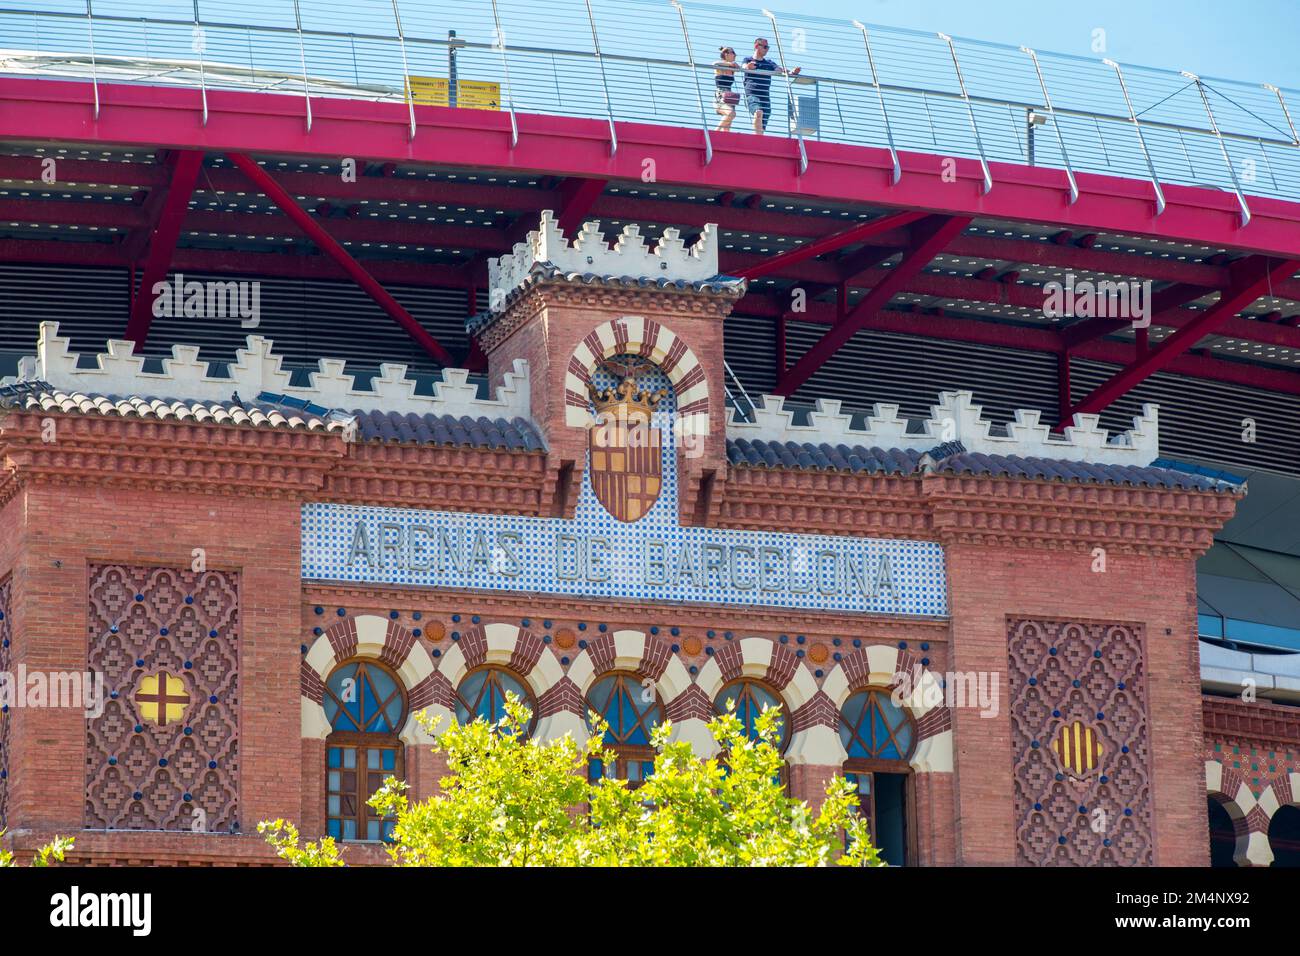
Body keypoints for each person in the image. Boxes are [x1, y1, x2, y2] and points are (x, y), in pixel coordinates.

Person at [742, 37, 800, 135]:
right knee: (758, 112)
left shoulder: (769, 63)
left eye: (767, 47)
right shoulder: (748, 59)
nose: (767, 49)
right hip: (752, 94)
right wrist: (748, 67)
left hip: (765, 97)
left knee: (763, 121)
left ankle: (759, 140)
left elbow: (780, 70)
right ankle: (757, 140)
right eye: (765, 47)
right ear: (756, 46)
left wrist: (791, 72)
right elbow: (743, 67)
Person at [713, 46, 740, 132]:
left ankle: (724, 138)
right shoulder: (720, 66)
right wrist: (729, 64)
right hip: (720, 95)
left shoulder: (732, 69)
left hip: (729, 96)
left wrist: (734, 66)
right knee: (731, 113)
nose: (735, 55)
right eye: (733, 53)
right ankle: (715, 132)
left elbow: (739, 69)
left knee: (727, 125)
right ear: (726, 54)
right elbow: (714, 64)